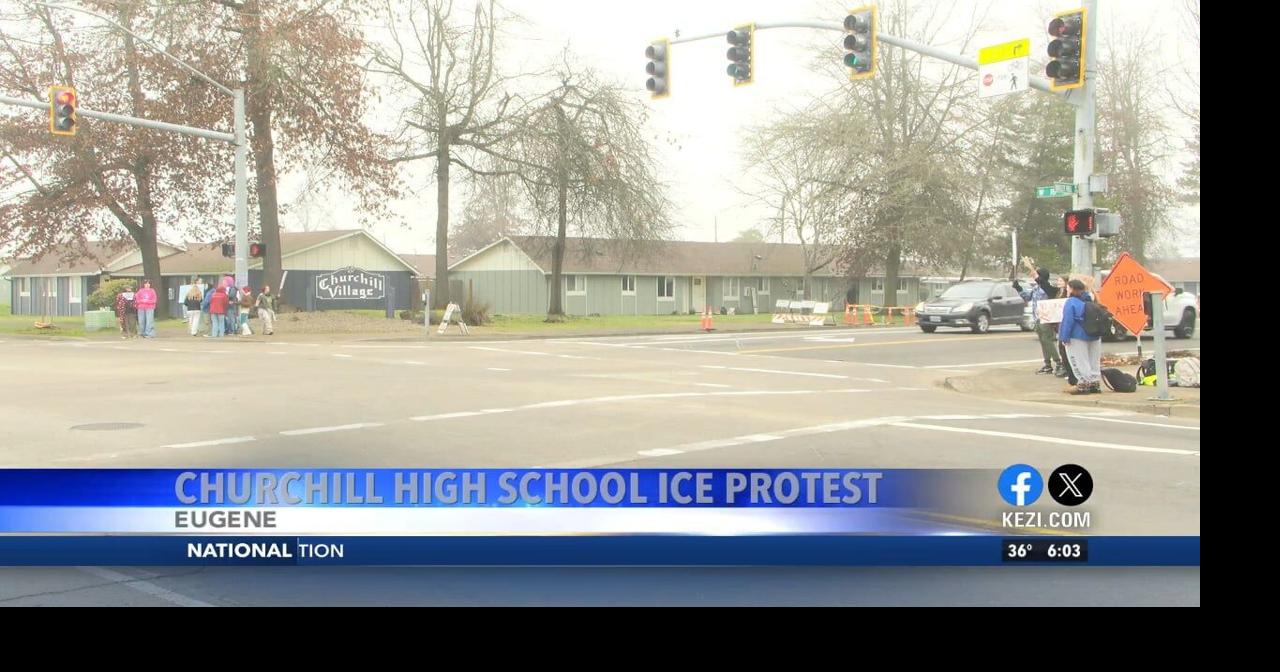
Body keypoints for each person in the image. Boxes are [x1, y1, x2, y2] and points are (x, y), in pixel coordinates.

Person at [1013, 267, 1062, 375]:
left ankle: (1058, 362)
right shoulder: (1036, 288)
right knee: (1043, 342)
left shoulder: (1048, 288)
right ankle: (1047, 364)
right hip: (1037, 318)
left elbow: (1044, 285)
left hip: (1045, 318)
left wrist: (1037, 277)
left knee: (1047, 341)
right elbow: (1028, 297)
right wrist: (1019, 288)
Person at [1059, 278, 1102, 395]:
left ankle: (1083, 384)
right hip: (1094, 335)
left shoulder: (1071, 302)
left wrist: (1064, 337)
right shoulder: (1091, 300)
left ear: (1072, 289)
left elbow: (1068, 321)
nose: (1066, 290)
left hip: (1077, 335)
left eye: (1067, 288)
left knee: (1079, 360)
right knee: (1094, 360)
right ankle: (1095, 383)